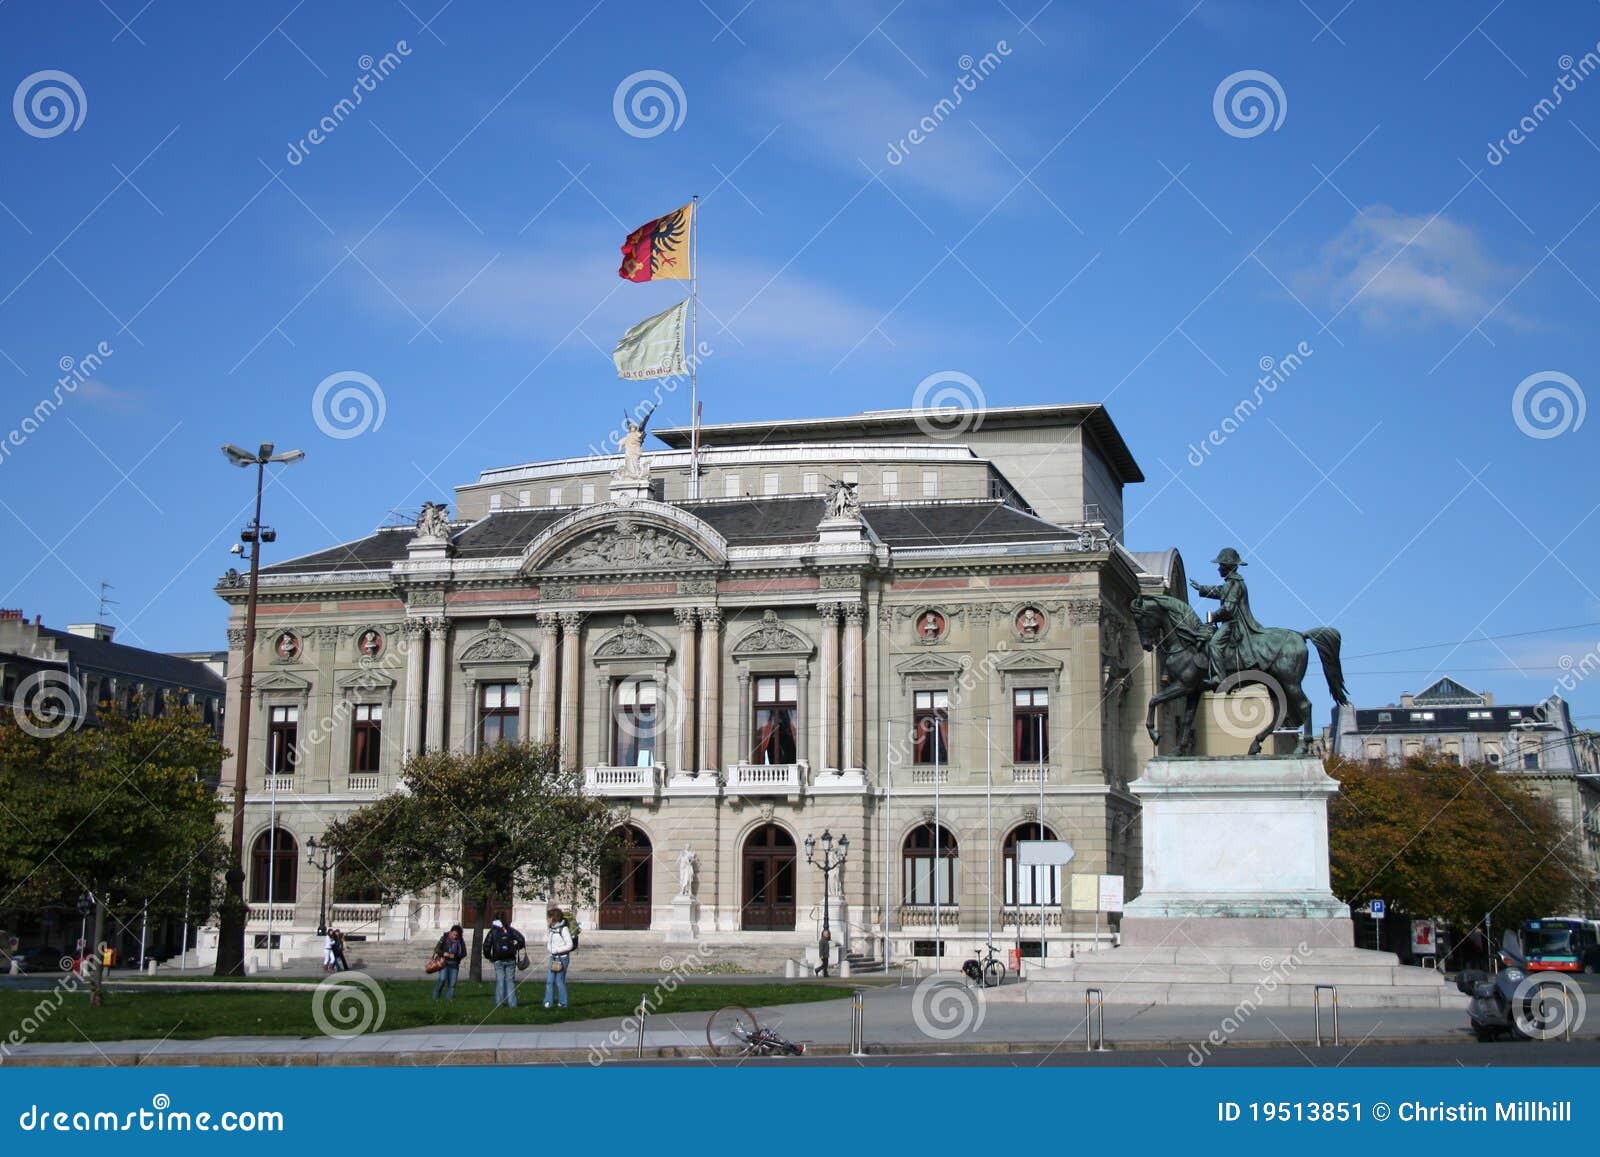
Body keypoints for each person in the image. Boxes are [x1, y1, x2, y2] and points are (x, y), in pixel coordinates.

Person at [1190, 547, 1265, 688]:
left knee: (1214, 644)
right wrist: (1201, 588)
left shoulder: (1234, 584)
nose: (1218, 569)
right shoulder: (1231, 583)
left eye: (1220, 565)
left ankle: (1219, 677)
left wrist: (1212, 616)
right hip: (1231, 621)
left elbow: (1229, 608)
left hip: (1234, 623)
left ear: (1227, 567)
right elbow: (1220, 591)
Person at [485, 916, 526, 1009]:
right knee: (510, 981)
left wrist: (489, 956)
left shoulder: (493, 931)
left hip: (498, 959)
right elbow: (521, 939)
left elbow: (486, 945)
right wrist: (515, 948)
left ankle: (499, 1003)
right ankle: (512, 1004)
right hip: (510, 958)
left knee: (500, 980)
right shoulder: (510, 930)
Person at [544, 907, 576, 1010]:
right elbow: (549, 942)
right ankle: (548, 1002)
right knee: (549, 981)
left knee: (559, 981)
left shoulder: (564, 929)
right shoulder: (551, 928)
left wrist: (557, 950)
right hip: (553, 958)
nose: (547, 919)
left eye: (549, 917)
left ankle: (563, 1002)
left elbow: (570, 945)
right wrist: (550, 949)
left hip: (562, 959)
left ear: (554, 918)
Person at [432, 925, 467, 1001]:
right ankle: (436, 996)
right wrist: (443, 953)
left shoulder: (460, 941)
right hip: (443, 963)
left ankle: (449, 999)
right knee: (442, 979)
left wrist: (455, 956)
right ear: (450, 932)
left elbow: (464, 953)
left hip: (454, 964)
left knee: (452, 984)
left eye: (457, 935)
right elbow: (437, 949)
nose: (455, 937)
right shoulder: (444, 938)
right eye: (454, 934)